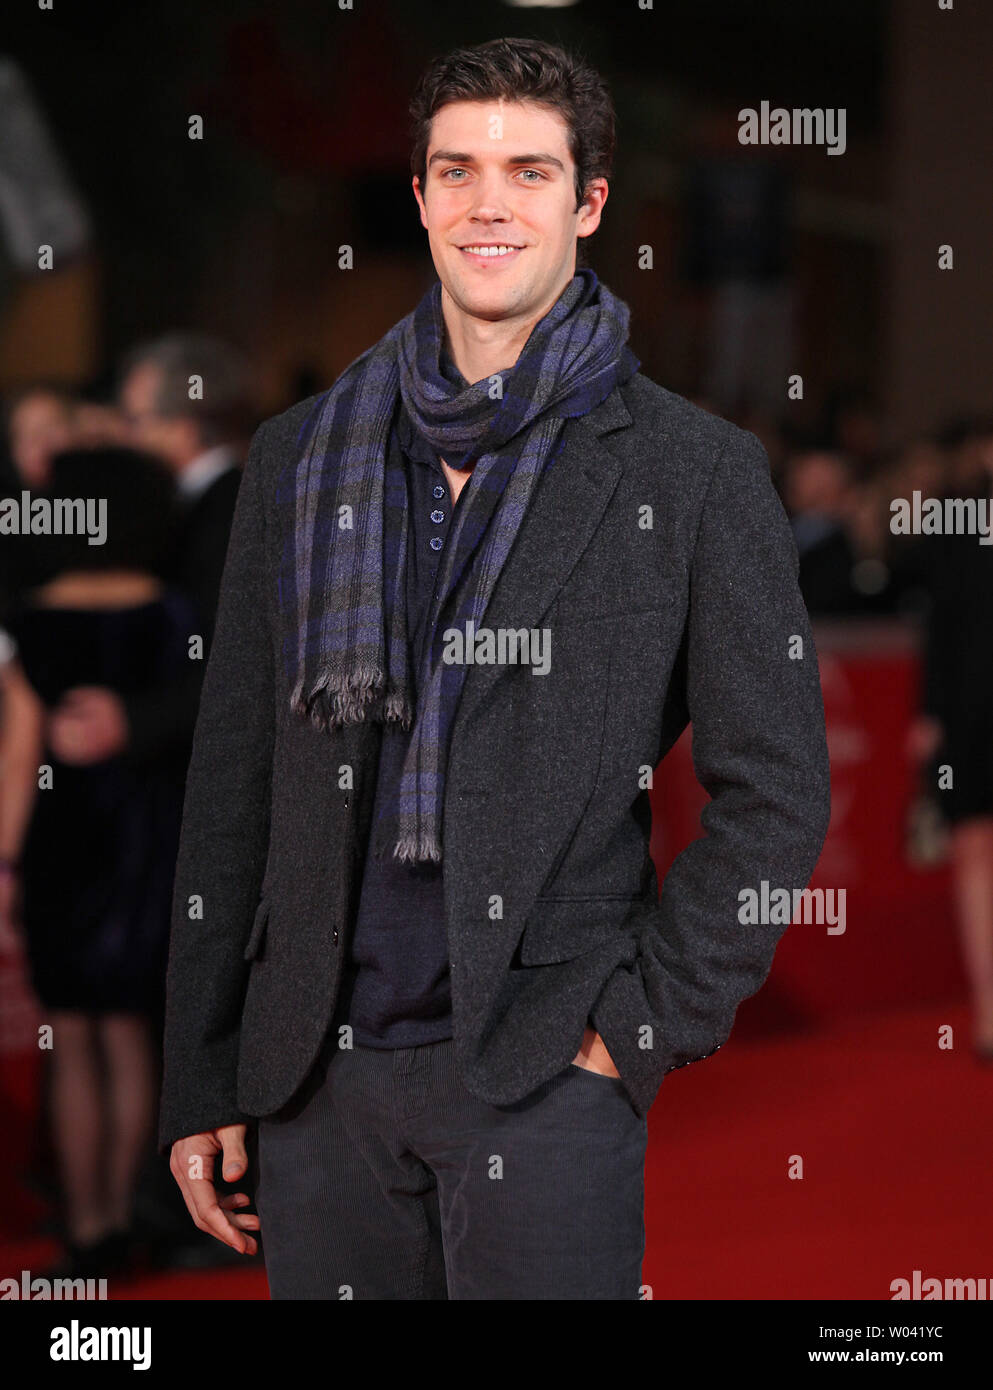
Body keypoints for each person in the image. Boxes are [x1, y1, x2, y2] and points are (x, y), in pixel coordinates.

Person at [158, 36, 831, 1300]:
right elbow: (235, 779)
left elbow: (779, 792)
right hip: (317, 1083)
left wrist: (631, 1030)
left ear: (587, 204)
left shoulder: (690, 472)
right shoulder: (302, 456)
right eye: (456, 170)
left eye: (529, 172)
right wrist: (206, 1073)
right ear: (417, 196)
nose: (488, 204)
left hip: (542, 1074)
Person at [4, 445, 199, 1277]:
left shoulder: (30, 618)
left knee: (72, 1041)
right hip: (148, 845)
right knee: (129, 1038)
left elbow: (17, 757)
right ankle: (130, 1220)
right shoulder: (173, 613)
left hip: (59, 844)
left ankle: (86, 1232)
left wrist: (7, 862)